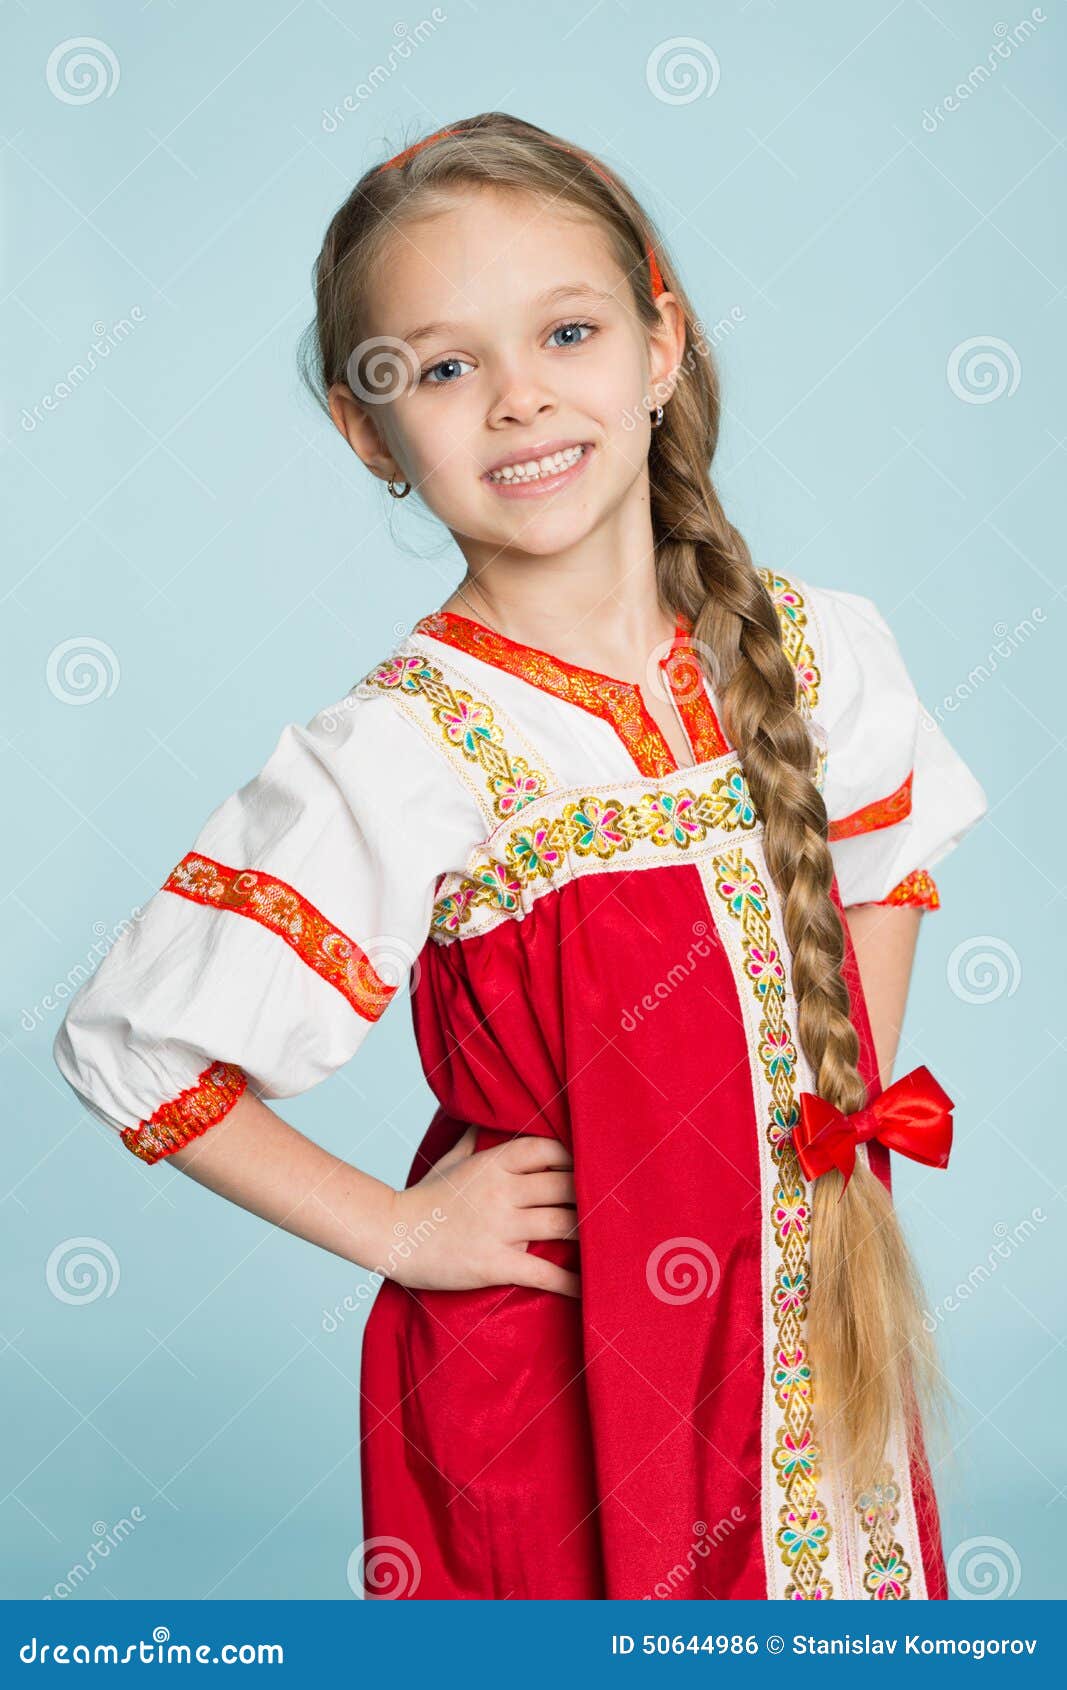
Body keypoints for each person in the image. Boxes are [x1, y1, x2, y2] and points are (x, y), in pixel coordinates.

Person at [53, 112, 988, 1601]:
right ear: (370, 433)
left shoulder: (816, 650)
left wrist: (835, 1127)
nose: (517, 400)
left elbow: (883, 866)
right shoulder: (406, 748)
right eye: (439, 366)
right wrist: (409, 1230)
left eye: (565, 330)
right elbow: (135, 1045)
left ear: (659, 344)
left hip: (797, 1313)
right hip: (552, 1360)